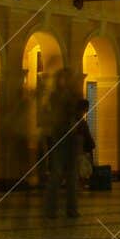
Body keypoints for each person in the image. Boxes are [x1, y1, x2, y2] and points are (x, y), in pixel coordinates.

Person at [40, 70, 78, 218]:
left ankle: (70, 209)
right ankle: (51, 209)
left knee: (71, 175)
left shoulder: (68, 95)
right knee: (57, 174)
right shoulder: (57, 96)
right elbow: (58, 115)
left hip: (69, 136)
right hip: (61, 135)